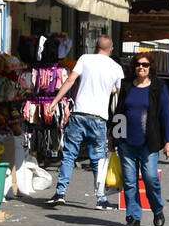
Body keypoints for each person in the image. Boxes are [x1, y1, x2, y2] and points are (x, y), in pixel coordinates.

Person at [50, 35, 124, 209]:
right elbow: (119, 95)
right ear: (111, 49)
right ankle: (101, 199)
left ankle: (60, 193)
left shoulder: (85, 58)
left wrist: (55, 102)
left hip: (79, 114)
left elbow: (70, 80)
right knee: (98, 159)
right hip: (99, 118)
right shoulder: (116, 68)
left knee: (69, 155)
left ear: (96, 47)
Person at [109, 54, 169, 226]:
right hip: (126, 142)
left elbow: (166, 116)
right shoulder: (127, 85)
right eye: (138, 64)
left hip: (149, 142)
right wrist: (113, 137)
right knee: (130, 182)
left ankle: (157, 210)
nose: (141, 67)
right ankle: (133, 218)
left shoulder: (159, 87)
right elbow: (119, 112)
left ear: (150, 67)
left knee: (150, 178)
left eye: (145, 64)